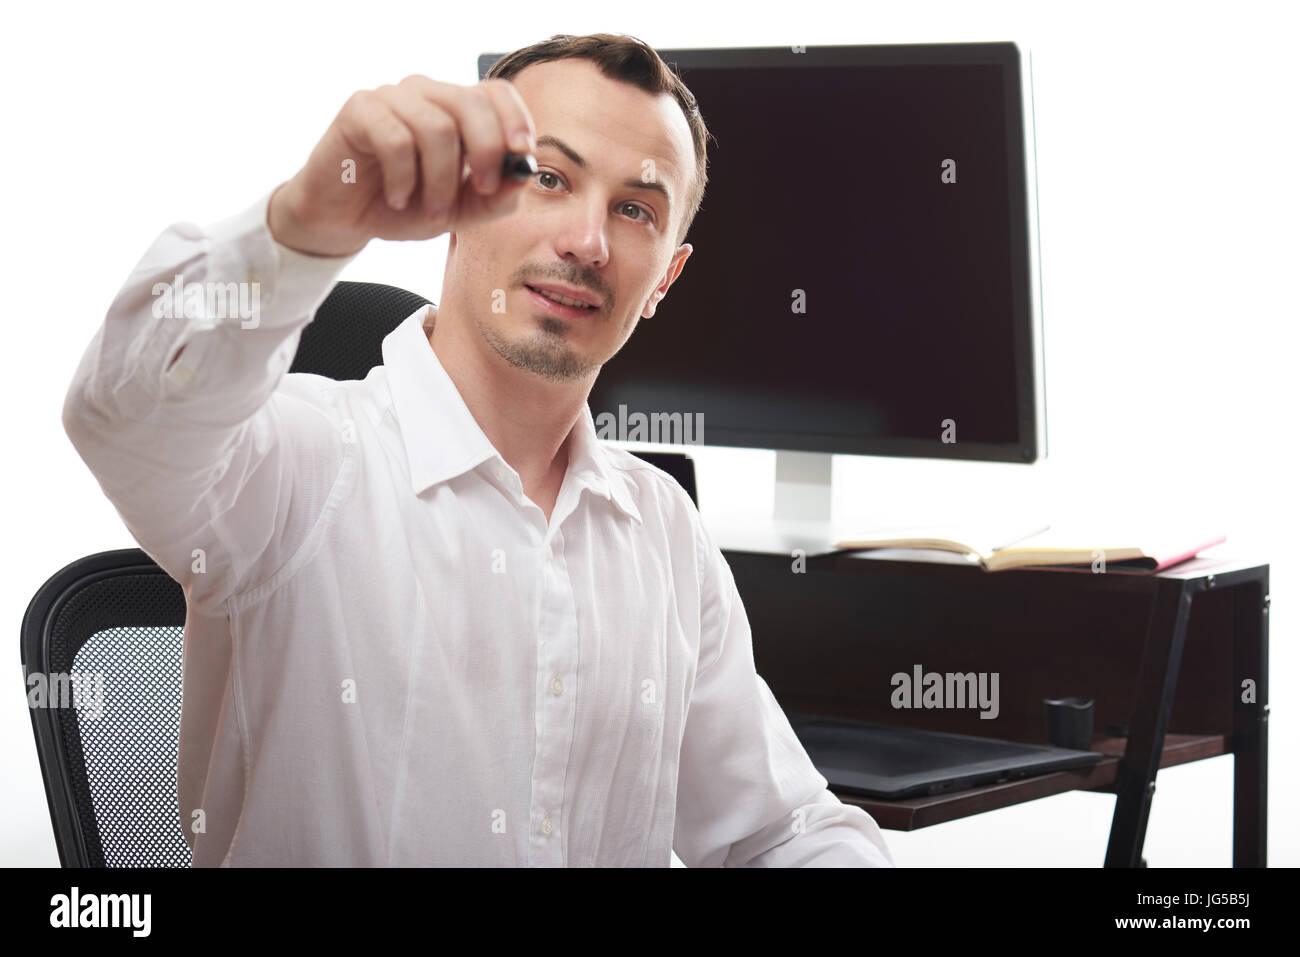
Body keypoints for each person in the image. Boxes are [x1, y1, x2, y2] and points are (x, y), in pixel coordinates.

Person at [62, 32, 894, 867]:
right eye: (549, 178)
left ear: (664, 282)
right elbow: (121, 413)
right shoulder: (299, 463)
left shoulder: (664, 533)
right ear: (461, 208)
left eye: (634, 208)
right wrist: (303, 224)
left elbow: (779, 828)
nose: (587, 241)